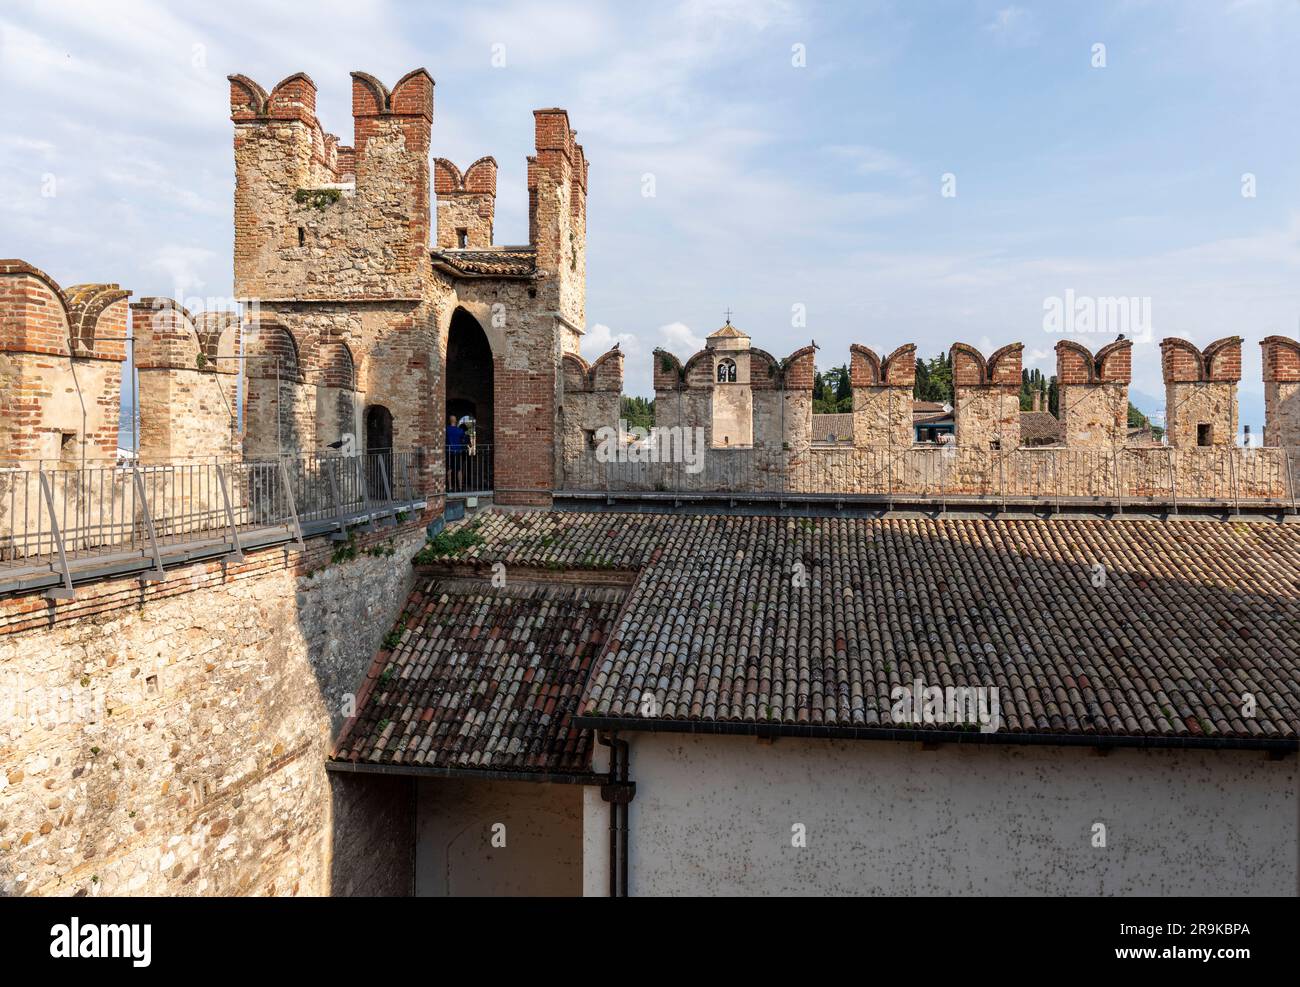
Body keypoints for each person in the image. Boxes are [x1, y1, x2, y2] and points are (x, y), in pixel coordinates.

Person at [446, 415, 467, 489]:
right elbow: (464, 440)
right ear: (455, 421)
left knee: (449, 469)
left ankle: (450, 487)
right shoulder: (460, 430)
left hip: (449, 451)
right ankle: (460, 487)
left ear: (449, 421)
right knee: (459, 470)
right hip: (457, 451)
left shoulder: (446, 429)